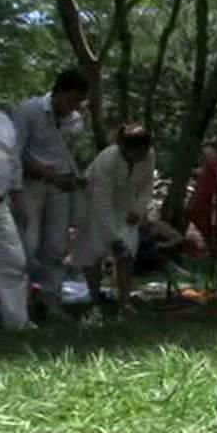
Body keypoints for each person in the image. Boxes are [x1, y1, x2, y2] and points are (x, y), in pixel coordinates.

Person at [13, 68, 90, 321]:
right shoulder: (29, 111)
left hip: (59, 187)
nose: (74, 106)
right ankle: (21, 304)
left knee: (56, 246)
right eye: (73, 99)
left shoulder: (75, 121)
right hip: (30, 185)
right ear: (60, 92)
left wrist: (70, 176)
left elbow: (67, 154)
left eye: (79, 101)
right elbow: (16, 153)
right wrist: (46, 173)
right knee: (28, 244)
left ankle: (51, 301)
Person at [68, 124, 156, 316]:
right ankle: (94, 302)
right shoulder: (107, 160)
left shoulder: (149, 156)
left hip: (126, 204)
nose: (142, 156)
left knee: (127, 252)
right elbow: (102, 204)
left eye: (144, 151)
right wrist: (113, 239)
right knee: (92, 251)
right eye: (137, 152)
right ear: (125, 148)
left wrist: (138, 209)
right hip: (94, 204)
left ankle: (124, 303)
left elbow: (147, 183)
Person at [0, 108, 31, 330]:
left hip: (0, 203)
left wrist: (19, 201)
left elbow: (14, 163)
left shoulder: (4, 122)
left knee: (14, 261)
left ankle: (16, 322)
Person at [187, 146, 217, 256]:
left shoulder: (213, 170)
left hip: (210, 202)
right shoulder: (207, 171)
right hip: (203, 202)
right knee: (204, 223)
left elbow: (216, 186)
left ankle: (213, 248)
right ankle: (211, 247)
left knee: (212, 226)